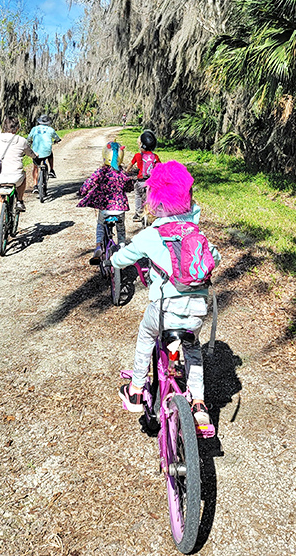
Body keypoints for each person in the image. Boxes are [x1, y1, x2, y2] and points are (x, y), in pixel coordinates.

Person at [112, 160, 219, 429]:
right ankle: (199, 403)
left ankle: (136, 388)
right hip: (196, 311)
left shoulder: (151, 234)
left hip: (164, 312)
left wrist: (115, 259)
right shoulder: (196, 233)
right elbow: (214, 256)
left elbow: (122, 259)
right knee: (192, 349)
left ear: (155, 202)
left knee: (146, 334)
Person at [77, 141, 133, 263]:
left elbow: (89, 182)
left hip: (105, 208)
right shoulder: (122, 174)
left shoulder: (101, 172)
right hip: (119, 210)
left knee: (100, 225)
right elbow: (129, 186)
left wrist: (82, 191)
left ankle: (98, 246)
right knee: (121, 229)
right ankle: (122, 247)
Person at [0, 116, 34, 237]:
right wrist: (35, 156)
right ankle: (19, 200)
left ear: (4, 127)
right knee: (23, 175)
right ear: (17, 128)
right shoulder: (21, 140)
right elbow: (31, 153)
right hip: (15, 177)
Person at [127, 129, 161, 222]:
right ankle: (152, 212)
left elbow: (130, 165)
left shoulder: (138, 155)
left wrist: (126, 172)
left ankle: (138, 214)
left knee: (138, 195)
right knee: (151, 197)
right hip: (151, 182)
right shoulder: (155, 156)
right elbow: (159, 168)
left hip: (141, 181)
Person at [28, 114, 61, 190]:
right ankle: (52, 170)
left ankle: (35, 185)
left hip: (36, 153)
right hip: (47, 152)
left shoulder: (34, 129)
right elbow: (57, 138)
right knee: (50, 154)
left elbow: (29, 138)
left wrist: (30, 142)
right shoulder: (50, 130)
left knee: (35, 167)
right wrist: (57, 140)